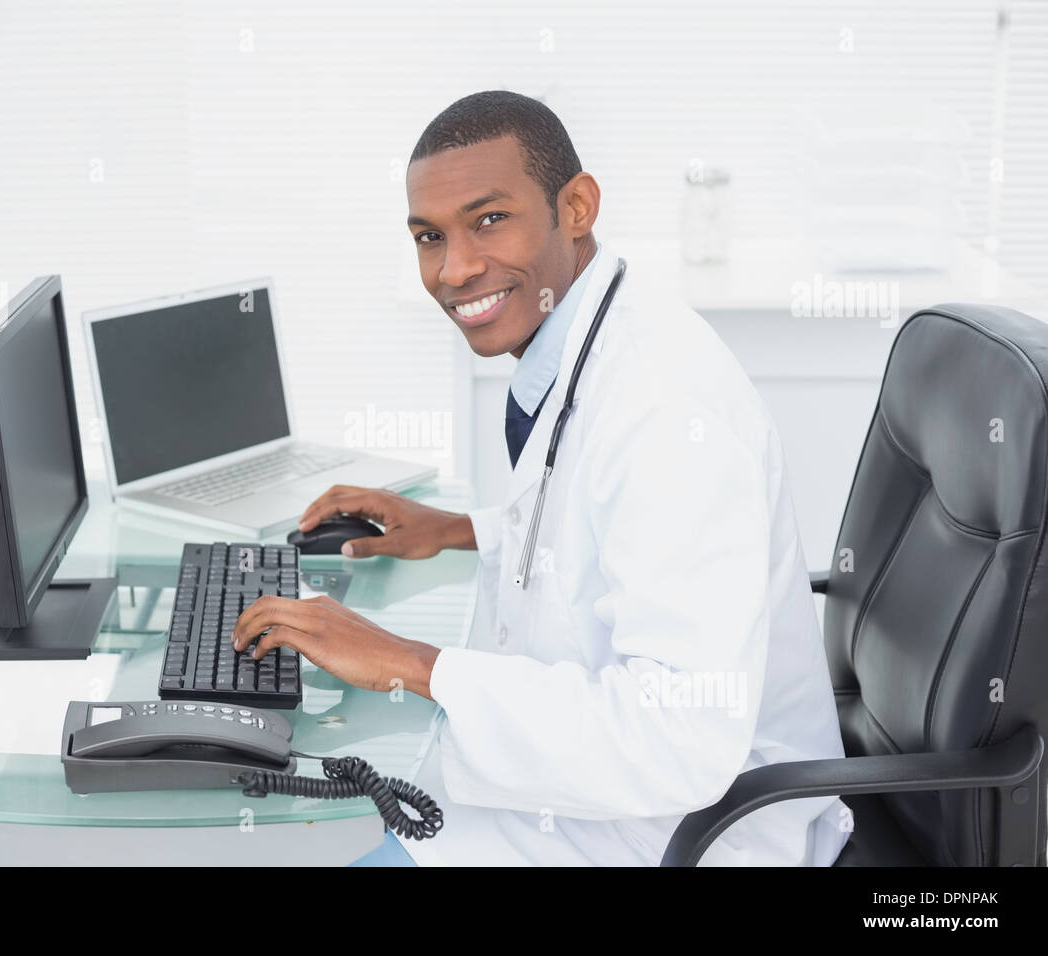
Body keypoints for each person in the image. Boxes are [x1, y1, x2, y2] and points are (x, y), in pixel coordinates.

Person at [233, 90, 850, 866]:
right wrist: (460, 531)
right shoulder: (590, 335)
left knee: (313, 848)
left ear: (577, 206)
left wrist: (410, 663)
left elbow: (680, 737)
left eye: (489, 219)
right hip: (601, 800)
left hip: (698, 830)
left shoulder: (667, 409)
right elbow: (599, 522)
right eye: (430, 236)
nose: (455, 269)